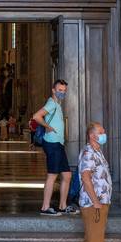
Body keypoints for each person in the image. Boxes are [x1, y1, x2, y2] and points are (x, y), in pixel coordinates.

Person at [78, 122, 112, 242]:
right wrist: (95, 201)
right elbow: (85, 177)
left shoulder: (96, 151)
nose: (104, 133)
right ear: (92, 135)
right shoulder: (89, 152)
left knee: (90, 239)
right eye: (101, 131)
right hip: (94, 204)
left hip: (97, 202)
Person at [32, 78, 74, 216]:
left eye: (64, 91)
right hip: (52, 143)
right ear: (53, 90)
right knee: (52, 175)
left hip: (58, 144)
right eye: (60, 90)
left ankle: (62, 205)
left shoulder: (57, 104)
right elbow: (36, 116)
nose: (62, 93)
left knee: (67, 175)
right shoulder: (51, 103)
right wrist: (48, 127)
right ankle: (45, 207)